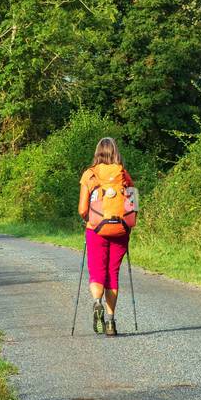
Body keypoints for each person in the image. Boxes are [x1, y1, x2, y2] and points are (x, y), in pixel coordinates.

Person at [78, 137, 135, 336]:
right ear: (115, 152)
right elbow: (133, 205)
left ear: (97, 152)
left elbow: (82, 208)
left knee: (97, 272)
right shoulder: (124, 175)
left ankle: (96, 303)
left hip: (95, 229)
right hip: (120, 231)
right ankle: (110, 323)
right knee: (113, 274)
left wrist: (90, 219)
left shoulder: (89, 175)